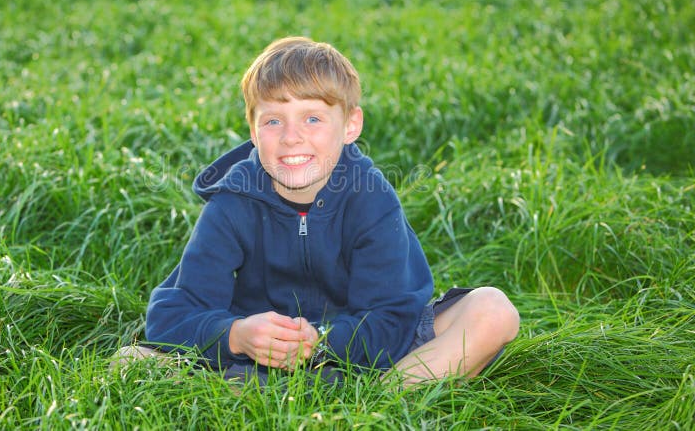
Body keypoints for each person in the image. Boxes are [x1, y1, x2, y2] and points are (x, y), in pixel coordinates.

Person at [116, 37, 520, 386]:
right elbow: (171, 314)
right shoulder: (233, 202)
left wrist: (320, 342)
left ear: (350, 125)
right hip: (256, 355)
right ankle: (265, 393)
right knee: (129, 364)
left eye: (312, 118)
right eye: (273, 120)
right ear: (254, 130)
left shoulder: (370, 197)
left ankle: (381, 401)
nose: (292, 137)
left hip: (366, 354)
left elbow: (393, 314)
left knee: (492, 310)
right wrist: (236, 335)